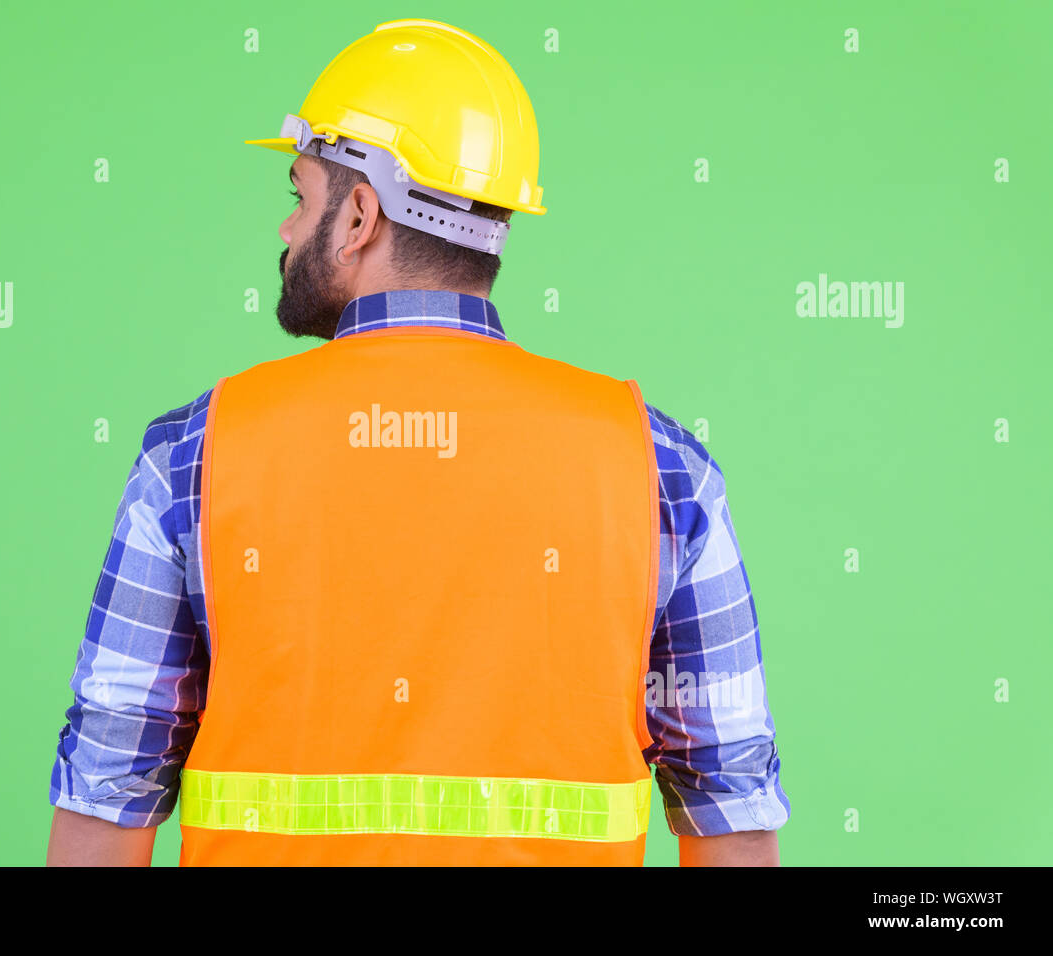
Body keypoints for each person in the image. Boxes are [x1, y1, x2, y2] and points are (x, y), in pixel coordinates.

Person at [46, 18, 788, 866]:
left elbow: (105, 792)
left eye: (300, 195)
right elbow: (731, 813)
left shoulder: (195, 455)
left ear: (360, 213)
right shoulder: (659, 466)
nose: (287, 231)